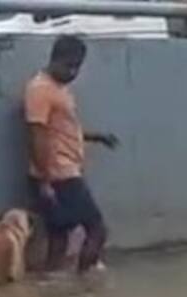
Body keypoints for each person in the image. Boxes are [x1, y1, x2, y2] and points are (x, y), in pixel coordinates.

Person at [24, 35, 119, 274]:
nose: (73, 72)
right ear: (54, 60)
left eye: (77, 67)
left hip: (59, 172)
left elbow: (63, 129)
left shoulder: (58, 89)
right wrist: (46, 181)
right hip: (59, 174)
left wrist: (96, 137)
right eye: (69, 65)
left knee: (59, 238)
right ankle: (84, 283)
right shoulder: (40, 90)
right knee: (97, 229)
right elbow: (38, 135)